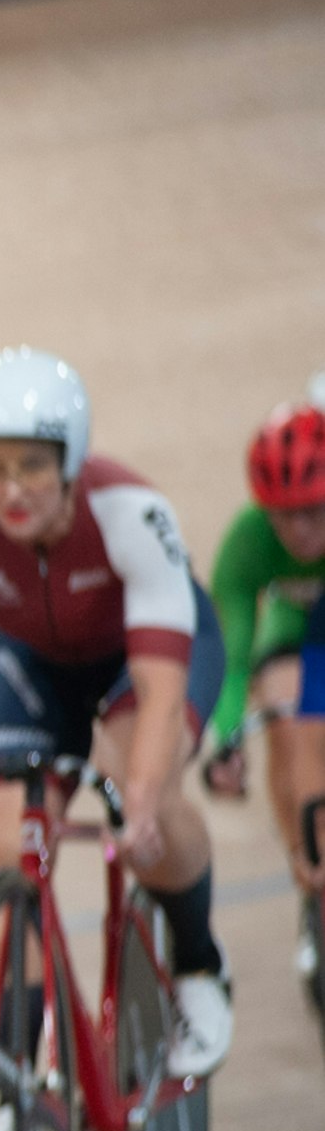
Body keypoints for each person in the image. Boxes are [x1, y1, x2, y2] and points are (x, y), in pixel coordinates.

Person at [0, 348, 233, 1131]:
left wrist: (140, 803)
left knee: (138, 792)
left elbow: (160, 691)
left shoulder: (130, 513)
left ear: (69, 462)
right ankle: (15, 1094)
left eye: (32, 466)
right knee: (8, 845)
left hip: (145, 658)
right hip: (34, 666)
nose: (10, 489)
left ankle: (199, 963)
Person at [202, 400, 325, 940]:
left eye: (314, 512)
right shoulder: (247, 543)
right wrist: (226, 738)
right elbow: (233, 664)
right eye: (283, 515)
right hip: (292, 632)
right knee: (284, 708)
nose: (299, 531)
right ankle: (307, 864)